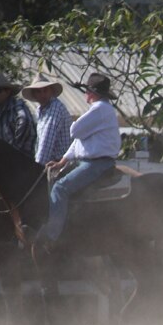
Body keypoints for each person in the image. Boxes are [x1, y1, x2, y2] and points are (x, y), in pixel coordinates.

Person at [34, 72, 121, 246]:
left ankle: (51, 236)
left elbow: (74, 132)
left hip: (97, 164)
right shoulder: (101, 110)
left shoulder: (99, 110)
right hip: (92, 162)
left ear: (92, 93)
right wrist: (63, 161)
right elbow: (78, 140)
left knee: (60, 188)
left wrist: (64, 159)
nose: (85, 94)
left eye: (87, 91)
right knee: (58, 183)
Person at [21, 74, 72, 165]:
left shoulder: (55, 107)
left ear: (51, 91)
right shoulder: (40, 111)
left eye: (45, 90)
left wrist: (38, 166)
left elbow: (47, 139)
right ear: (34, 94)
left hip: (62, 163)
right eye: (38, 92)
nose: (42, 94)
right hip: (52, 162)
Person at [0, 72, 36, 157]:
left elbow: (25, 120)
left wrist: (12, 150)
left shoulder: (16, 106)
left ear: (8, 91)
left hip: (24, 162)